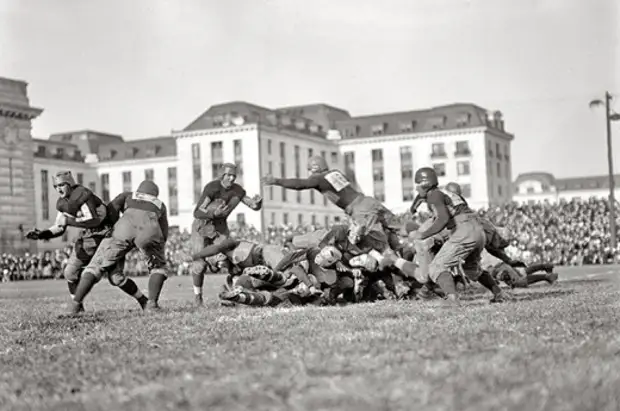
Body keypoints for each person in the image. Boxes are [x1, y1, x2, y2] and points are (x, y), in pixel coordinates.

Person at [25, 171, 127, 312]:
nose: (58, 189)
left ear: (70, 184)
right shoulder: (62, 203)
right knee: (70, 273)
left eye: (61, 185)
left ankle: (146, 301)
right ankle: (78, 309)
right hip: (89, 237)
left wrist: (69, 221)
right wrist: (42, 234)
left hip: (107, 235)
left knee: (116, 279)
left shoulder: (82, 194)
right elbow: (60, 227)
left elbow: (93, 220)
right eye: (55, 186)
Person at [68, 180, 170, 313]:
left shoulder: (129, 195)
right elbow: (164, 231)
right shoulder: (160, 204)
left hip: (123, 228)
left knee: (95, 266)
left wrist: (113, 228)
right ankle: (152, 304)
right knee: (158, 268)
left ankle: (75, 305)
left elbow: (112, 208)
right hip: (149, 230)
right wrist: (156, 249)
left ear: (138, 190)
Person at [190, 163, 262, 306]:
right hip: (202, 225)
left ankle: (236, 292)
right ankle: (198, 297)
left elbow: (252, 205)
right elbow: (197, 212)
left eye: (234, 176)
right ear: (222, 175)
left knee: (233, 258)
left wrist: (258, 204)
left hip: (220, 227)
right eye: (228, 175)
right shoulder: (212, 187)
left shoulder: (238, 190)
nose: (231, 178)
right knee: (199, 264)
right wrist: (213, 213)